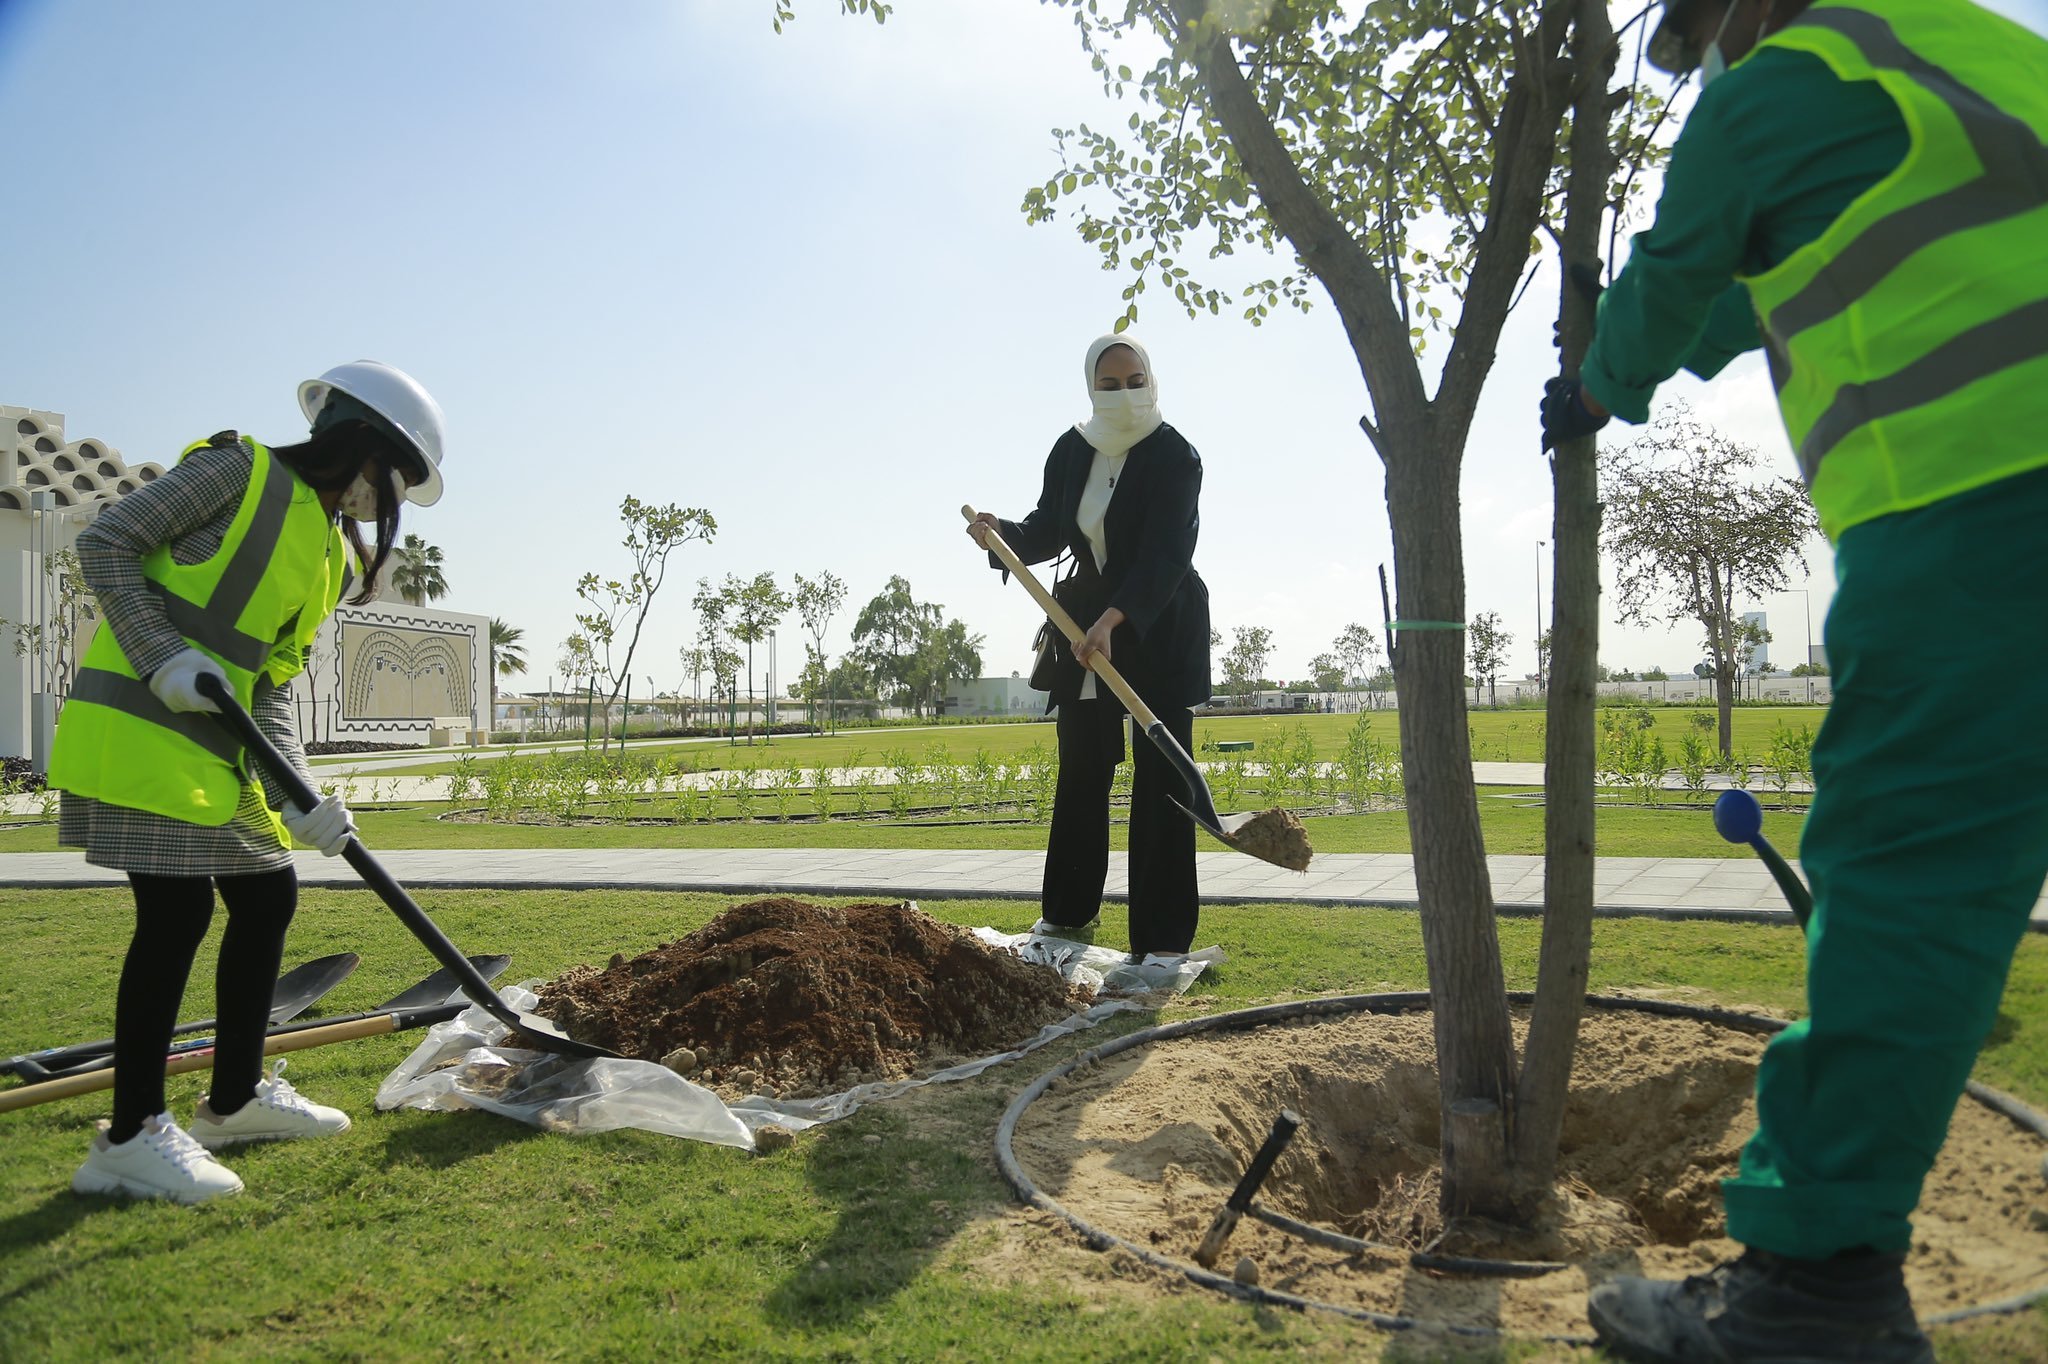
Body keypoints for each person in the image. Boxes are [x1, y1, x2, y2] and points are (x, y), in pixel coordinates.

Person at [1538, 1, 2048, 1359]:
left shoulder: (1772, 88)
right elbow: (1733, 300)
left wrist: (1591, 387)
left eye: (1699, 32)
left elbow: (1673, 286)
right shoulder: (1991, 51)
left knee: (1905, 883)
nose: (1703, 57)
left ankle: (1813, 1290)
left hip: (1982, 508)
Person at [52, 360, 447, 1205]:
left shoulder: (331, 555)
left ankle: (233, 1100)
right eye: (398, 478)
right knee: (177, 916)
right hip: (140, 733)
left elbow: (268, 685)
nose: (391, 500)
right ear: (363, 442)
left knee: (268, 898)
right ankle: (127, 1139)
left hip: (217, 755)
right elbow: (106, 542)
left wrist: (299, 793)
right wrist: (163, 656)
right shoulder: (239, 471)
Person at [968, 334, 1211, 963]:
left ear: (1150, 381)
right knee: (1081, 768)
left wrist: (1114, 618)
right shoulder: (1072, 448)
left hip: (1157, 622)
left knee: (1162, 781)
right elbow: (1050, 526)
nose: (1123, 393)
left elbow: (1166, 554)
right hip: (1081, 634)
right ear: (1090, 388)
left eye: (1134, 381)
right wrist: (1003, 535)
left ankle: (1160, 940)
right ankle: (1067, 912)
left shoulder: (1176, 455)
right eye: (1109, 384)